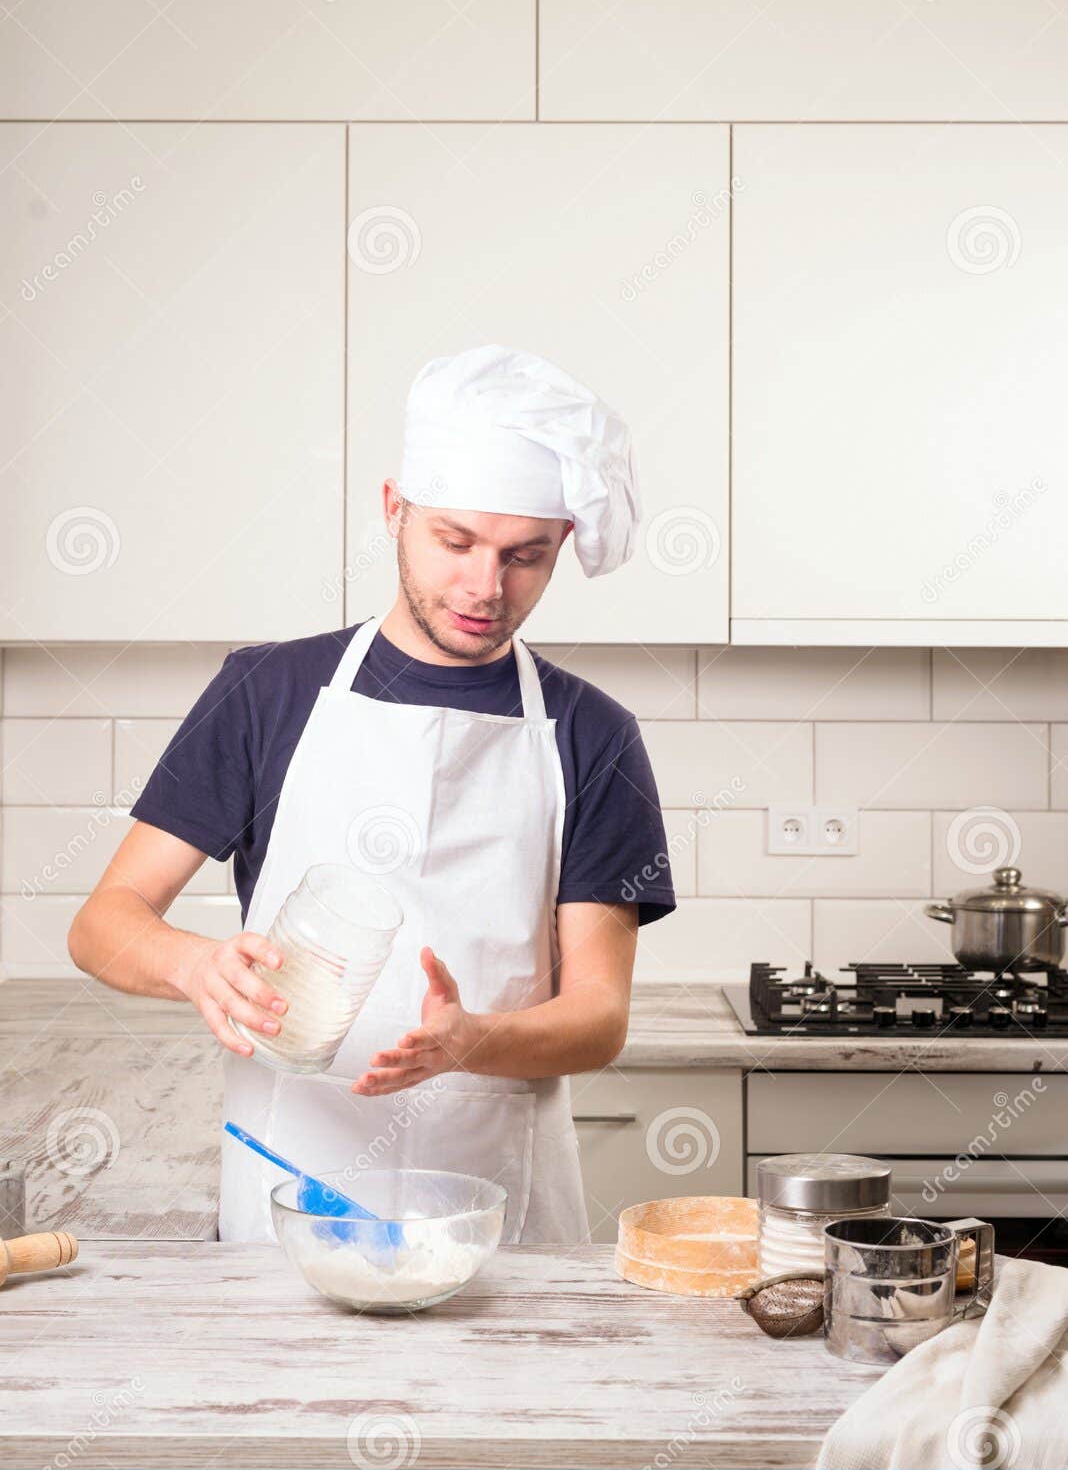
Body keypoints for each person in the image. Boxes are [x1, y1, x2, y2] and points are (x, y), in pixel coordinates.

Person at [69, 344, 676, 1242]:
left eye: (525, 556)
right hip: (295, 1187)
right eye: (455, 541)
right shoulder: (265, 691)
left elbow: (598, 1015)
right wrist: (195, 967)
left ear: (560, 552)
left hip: (495, 1207)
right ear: (394, 509)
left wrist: (472, 1041)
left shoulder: (594, 733)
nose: (485, 587)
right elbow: (104, 923)